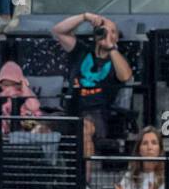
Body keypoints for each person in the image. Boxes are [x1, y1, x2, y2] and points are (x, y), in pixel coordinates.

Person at [52, 11, 133, 160]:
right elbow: (58, 31)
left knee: (84, 130)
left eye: (112, 31)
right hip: (71, 109)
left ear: (116, 37)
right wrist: (84, 17)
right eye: (103, 29)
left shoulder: (117, 60)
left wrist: (111, 48)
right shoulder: (82, 51)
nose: (107, 33)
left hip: (98, 114)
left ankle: (84, 182)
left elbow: (126, 76)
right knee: (39, 128)